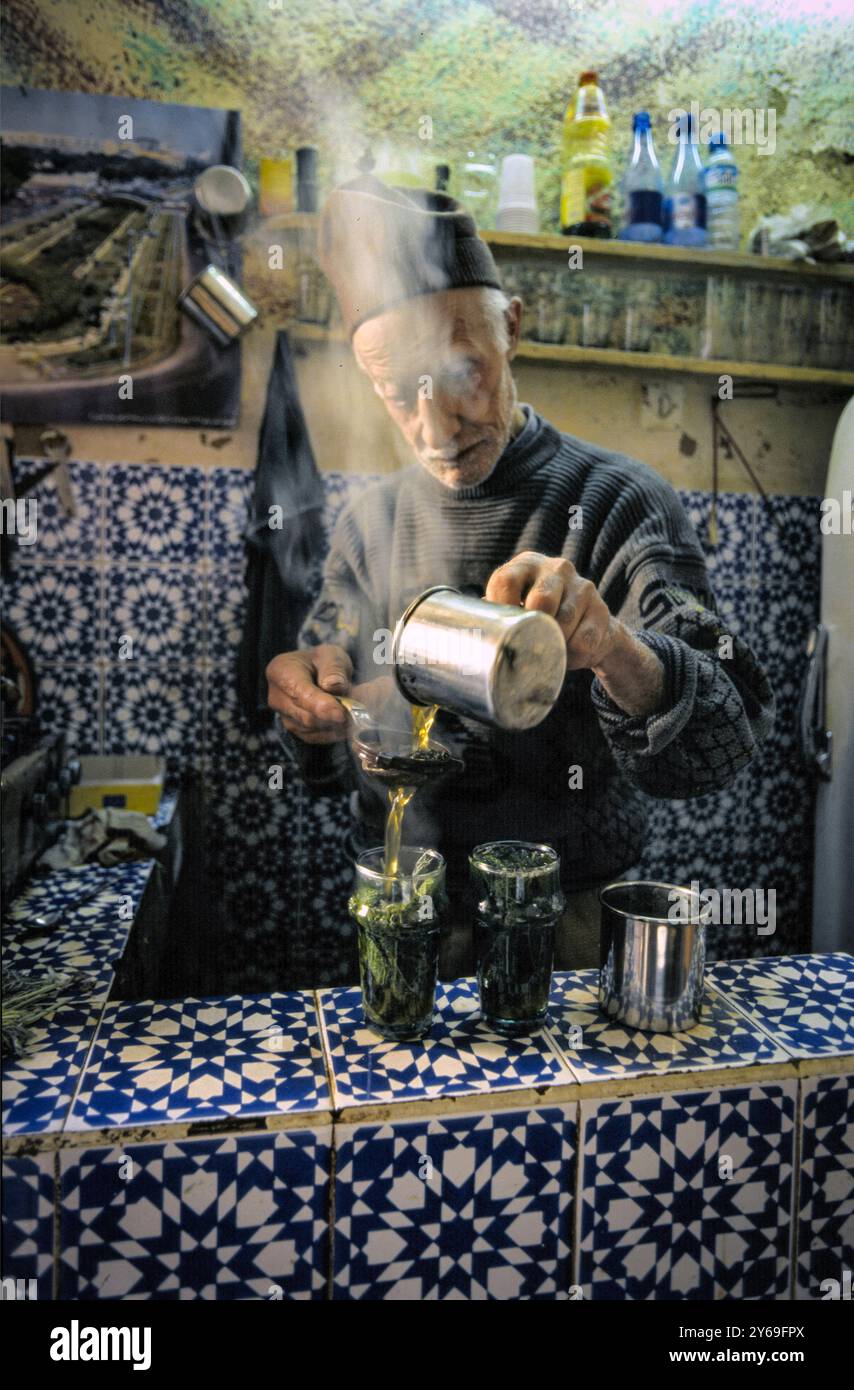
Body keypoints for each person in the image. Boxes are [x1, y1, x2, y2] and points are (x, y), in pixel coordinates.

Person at [267, 174, 774, 976]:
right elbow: (326, 769)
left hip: (566, 919)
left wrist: (612, 648)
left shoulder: (619, 501)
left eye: (460, 376)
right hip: (405, 909)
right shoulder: (370, 521)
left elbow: (723, 744)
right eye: (399, 395)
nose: (434, 430)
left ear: (513, 328)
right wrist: (310, 711)